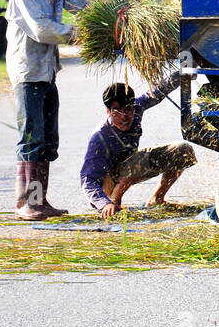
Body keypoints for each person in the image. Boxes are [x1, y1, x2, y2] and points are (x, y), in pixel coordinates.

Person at [5, 0, 89, 221]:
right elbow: (41, 29)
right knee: (31, 136)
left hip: (47, 71)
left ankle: (41, 201)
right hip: (28, 72)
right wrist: (79, 34)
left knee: (47, 139)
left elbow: (84, 2)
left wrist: (117, 9)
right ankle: (25, 203)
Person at [81, 75, 197, 219]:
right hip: (108, 184)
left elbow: (157, 91)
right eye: (117, 111)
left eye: (128, 109)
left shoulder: (136, 109)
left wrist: (182, 74)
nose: (124, 116)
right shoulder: (99, 138)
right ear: (108, 112)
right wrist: (104, 203)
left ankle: (157, 198)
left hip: (133, 165)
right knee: (137, 160)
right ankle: (114, 205)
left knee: (182, 150)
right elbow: (88, 179)